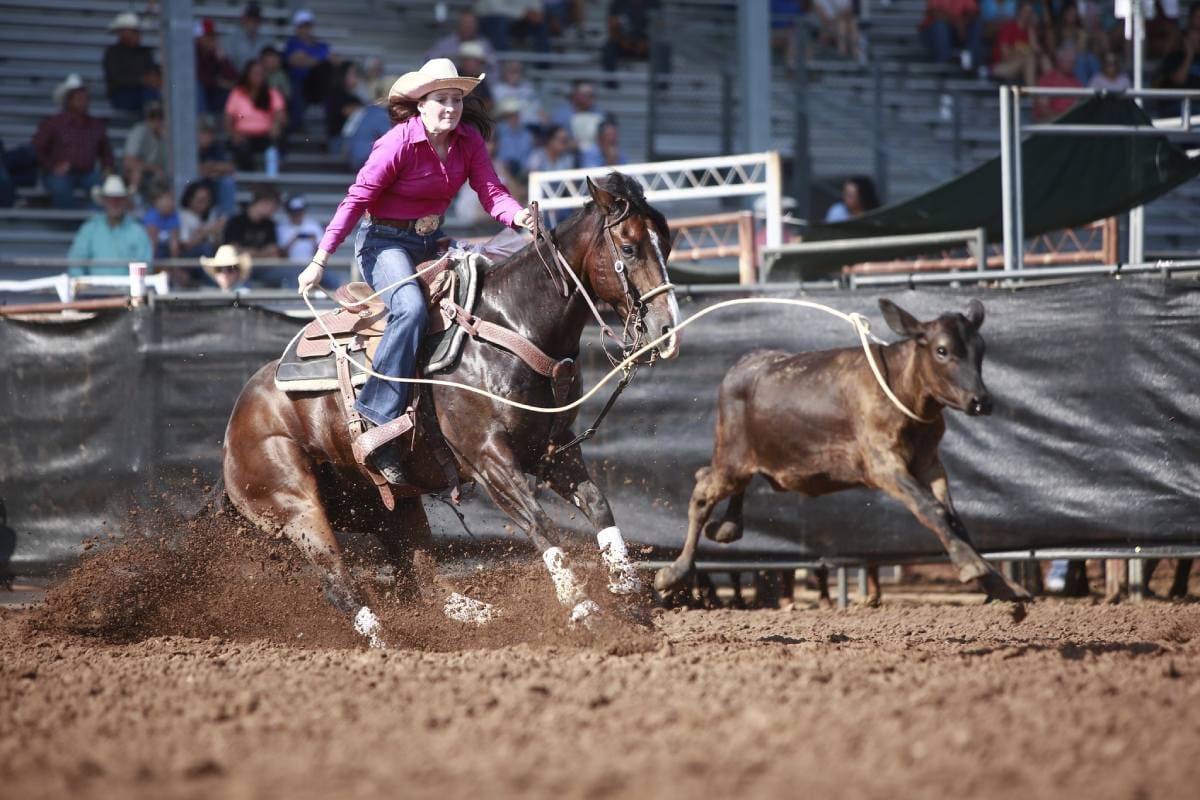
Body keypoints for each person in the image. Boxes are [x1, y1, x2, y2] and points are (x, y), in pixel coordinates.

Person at [296, 58, 535, 484]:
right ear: (419, 105)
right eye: (441, 99)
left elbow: (491, 191)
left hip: (430, 240)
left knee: (484, 289)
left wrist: (518, 218)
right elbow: (354, 203)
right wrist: (319, 260)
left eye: (457, 99)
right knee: (408, 308)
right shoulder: (395, 144)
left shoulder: (469, 142)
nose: (451, 107)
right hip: (383, 242)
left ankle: (453, 416)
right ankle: (377, 420)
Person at [33, 75, 113, 210]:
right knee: (61, 187)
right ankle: (72, 223)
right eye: (79, 98)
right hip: (59, 173)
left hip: (87, 173)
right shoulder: (53, 123)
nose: (85, 102)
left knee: (104, 188)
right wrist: (52, 166)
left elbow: (106, 152)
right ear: (69, 101)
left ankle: (91, 218)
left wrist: (107, 171)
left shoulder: (96, 125)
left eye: (86, 98)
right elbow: (37, 149)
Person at [66, 175, 152, 274]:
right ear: (104, 201)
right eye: (110, 199)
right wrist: (83, 285)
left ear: (125, 200)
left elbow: (145, 266)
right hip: (93, 288)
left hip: (127, 288)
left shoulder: (137, 232)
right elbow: (75, 262)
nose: (114, 203)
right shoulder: (90, 229)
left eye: (118, 199)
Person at [224, 59, 287, 171]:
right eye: (255, 73)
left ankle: (273, 174)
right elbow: (228, 118)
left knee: (278, 139)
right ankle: (252, 177)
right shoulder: (237, 93)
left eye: (261, 74)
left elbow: (281, 114)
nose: (258, 76)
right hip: (243, 136)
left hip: (266, 135)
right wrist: (233, 133)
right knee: (239, 145)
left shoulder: (272, 92)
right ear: (247, 75)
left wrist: (276, 124)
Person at [284, 9, 335, 128]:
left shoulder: (320, 45)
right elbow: (294, 61)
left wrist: (308, 60)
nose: (305, 29)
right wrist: (320, 59)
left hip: (318, 83)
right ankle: (296, 124)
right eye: (302, 26)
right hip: (299, 82)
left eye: (308, 26)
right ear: (297, 27)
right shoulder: (292, 44)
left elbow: (333, 61)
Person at [103, 12, 156, 116]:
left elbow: (151, 71)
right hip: (121, 94)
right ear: (123, 33)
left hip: (144, 93)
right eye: (134, 31)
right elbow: (116, 77)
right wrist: (141, 80)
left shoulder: (145, 52)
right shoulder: (113, 53)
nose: (138, 35)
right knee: (149, 99)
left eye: (137, 32)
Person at [425, 9, 497, 73]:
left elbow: (494, 68)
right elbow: (429, 62)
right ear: (459, 24)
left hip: (479, 84)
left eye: (471, 23)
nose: (468, 26)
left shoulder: (484, 45)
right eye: (465, 22)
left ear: (476, 25)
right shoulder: (445, 44)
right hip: (449, 84)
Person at [122, 100, 167, 202]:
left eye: (160, 116)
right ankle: (133, 201)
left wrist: (166, 138)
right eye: (152, 116)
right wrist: (154, 169)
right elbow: (128, 162)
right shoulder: (139, 131)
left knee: (163, 175)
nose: (156, 120)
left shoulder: (167, 134)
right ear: (147, 117)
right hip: (137, 175)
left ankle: (159, 205)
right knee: (136, 171)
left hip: (158, 175)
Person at [920, 0, 984, 69]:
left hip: (955, 31)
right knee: (940, 25)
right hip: (932, 33)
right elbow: (936, 13)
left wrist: (964, 22)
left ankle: (970, 62)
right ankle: (942, 64)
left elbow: (973, 12)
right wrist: (957, 23)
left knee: (976, 25)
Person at [990, 0, 1042, 86]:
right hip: (1001, 67)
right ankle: (1032, 96)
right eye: (1025, 11)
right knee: (1029, 58)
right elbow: (1005, 56)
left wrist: (1031, 29)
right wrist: (1024, 52)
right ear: (1019, 12)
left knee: (1040, 60)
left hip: (1022, 67)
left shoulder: (1030, 31)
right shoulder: (1009, 27)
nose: (1028, 15)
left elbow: (1037, 52)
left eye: (1030, 12)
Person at [224, 185, 282, 258]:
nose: (274, 210)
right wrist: (261, 253)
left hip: (262, 266)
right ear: (263, 202)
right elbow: (232, 250)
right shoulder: (236, 222)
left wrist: (250, 252)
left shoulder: (269, 224)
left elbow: (273, 251)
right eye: (273, 206)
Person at [195, 18, 238, 115]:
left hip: (213, 92)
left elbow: (233, 76)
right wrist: (218, 82)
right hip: (198, 93)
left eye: (212, 36)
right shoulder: (193, 51)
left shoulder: (215, 52)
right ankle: (202, 122)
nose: (210, 39)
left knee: (231, 92)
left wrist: (222, 59)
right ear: (199, 38)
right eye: (207, 36)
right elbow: (199, 76)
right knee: (198, 88)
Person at [197, 115, 238, 217]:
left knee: (228, 182)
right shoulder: (190, 145)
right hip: (194, 184)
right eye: (203, 133)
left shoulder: (216, 146)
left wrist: (211, 166)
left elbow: (231, 168)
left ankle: (227, 220)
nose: (207, 136)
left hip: (212, 184)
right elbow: (194, 169)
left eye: (209, 133)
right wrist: (212, 169)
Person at [475, 0, 551, 52]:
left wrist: (527, 15)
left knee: (541, 25)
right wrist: (521, 13)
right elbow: (495, 10)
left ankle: (543, 65)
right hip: (491, 22)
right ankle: (501, 60)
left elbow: (537, 14)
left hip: (518, 22)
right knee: (500, 22)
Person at [490, 59, 545, 131]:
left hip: (533, 126)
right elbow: (496, 113)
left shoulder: (528, 88)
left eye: (517, 71)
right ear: (505, 72)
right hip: (510, 127)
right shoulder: (498, 90)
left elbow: (540, 110)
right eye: (511, 71)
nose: (514, 74)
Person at [550, 80, 605, 150]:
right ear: (575, 95)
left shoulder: (599, 114)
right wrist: (568, 145)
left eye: (592, 95)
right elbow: (553, 142)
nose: (591, 99)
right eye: (586, 95)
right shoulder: (561, 116)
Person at [178, 180, 226, 260]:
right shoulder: (183, 216)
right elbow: (185, 246)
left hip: (208, 255)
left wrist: (217, 232)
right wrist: (206, 232)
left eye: (206, 201)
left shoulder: (211, 216)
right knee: (205, 249)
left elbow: (215, 246)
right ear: (190, 199)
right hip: (189, 257)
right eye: (200, 201)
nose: (203, 205)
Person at [1034, 44, 1083, 121]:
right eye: (1069, 62)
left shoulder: (1076, 82)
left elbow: (1077, 107)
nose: (1072, 65)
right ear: (1059, 60)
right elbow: (1042, 109)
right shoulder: (1046, 80)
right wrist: (1062, 120)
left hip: (1069, 124)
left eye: (1073, 62)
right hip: (1048, 124)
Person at [325, 61, 365, 151]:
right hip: (339, 140)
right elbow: (347, 111)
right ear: (343, 75)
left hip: (354, 140)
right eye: (353, 74)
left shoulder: (356, 98)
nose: (356, 77)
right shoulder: (335, 95)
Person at [495, 97, 535, 178]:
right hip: (502, 172)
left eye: (515, 114)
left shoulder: (527, 134)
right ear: (505, 117)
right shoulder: (498, 132)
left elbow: (529, 155)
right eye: (510, 115)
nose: (513, 118)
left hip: (523, 173)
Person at [277, 194, 324, 263]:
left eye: (299, 211)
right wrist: (294, 240)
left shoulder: (314, 225)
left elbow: (322, 253)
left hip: (312, 266)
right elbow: (280, 254)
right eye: (294, 212)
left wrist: (314, 242)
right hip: (288, 267)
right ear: (288, 212)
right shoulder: (281, 227)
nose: (297, 215)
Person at [226, 2, 270, 72]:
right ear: (243, 20)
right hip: (238, 79)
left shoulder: (266, 41)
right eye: (250, 19)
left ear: (260, 21)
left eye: (256, 19)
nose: (253, 22)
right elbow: (228, 63)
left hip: (259, 79)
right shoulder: (232, 39)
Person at [142, 183, 181, 260]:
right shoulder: (151, 216)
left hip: (166, 253)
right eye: (167, 199)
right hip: (152, 253)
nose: (171, 202)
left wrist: (175, 269)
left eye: (172, 199)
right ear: (155, 201)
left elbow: (174, 245)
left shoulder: (173, 215)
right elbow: (152, 245)